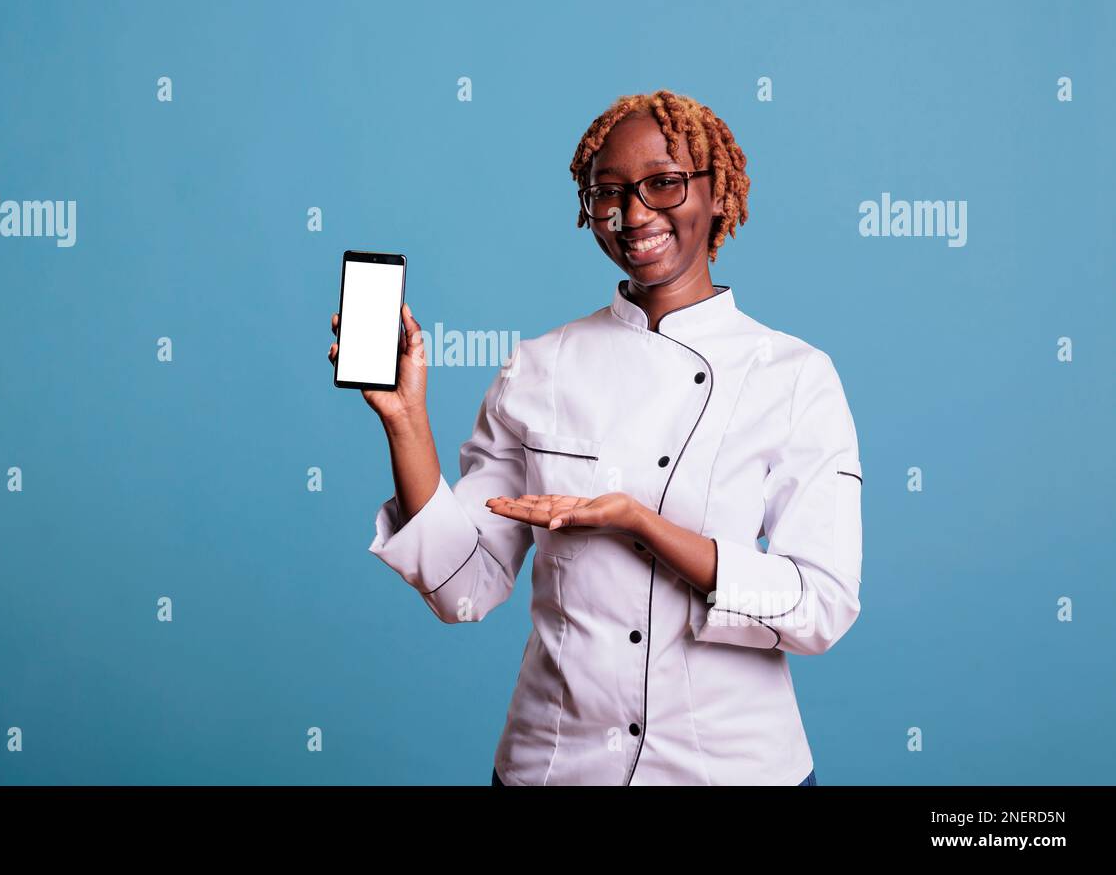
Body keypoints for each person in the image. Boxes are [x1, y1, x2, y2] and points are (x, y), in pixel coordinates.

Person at [327, 89, 863, 785]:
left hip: (734, 770)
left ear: (719, 192)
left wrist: (642, 524)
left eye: (663, 184)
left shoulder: (794, 376)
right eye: (607, 192)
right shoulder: (539, 367)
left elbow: (820, 607)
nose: (634, 214)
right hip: (556, 767)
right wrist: (406, 423)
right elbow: (464, 587)